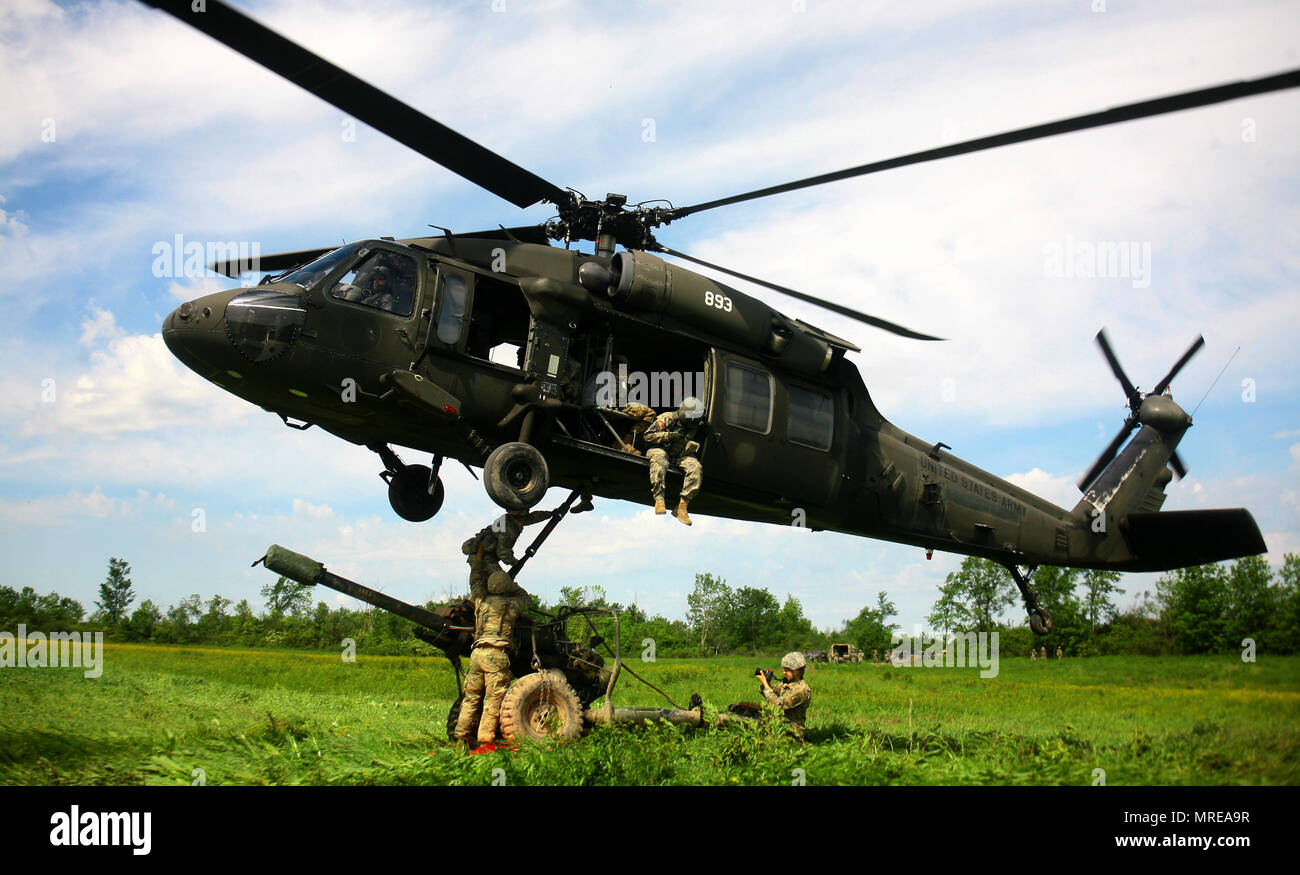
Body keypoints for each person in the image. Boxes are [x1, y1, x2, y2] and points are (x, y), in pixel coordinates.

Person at [453, 568, 530, 748]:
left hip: (477, 653)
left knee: (471, 697)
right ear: (506, 588)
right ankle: (485, 740)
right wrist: (515, 586)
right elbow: (526, 600)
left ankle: (460, 737)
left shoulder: (481, 602)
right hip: (495, 654)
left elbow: (476, 585)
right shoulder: (512, 605)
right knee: (493, 699)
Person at [644, 396, 705, 525]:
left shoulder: (695, 425)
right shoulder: (667, 418)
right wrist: (668, 436)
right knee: (659, 459)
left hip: (680, 455)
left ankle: (682, 507)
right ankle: (659, 498)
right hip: (660, 449)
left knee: (696, 468)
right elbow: (648, 436)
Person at [757, 651, 812, 740]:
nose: (784, 673)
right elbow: (768, 691)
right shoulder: (788, 684)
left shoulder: (801, 690)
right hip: (778, 726)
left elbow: (778, 705)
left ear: (797, 670)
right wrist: (767, 682)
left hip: (792, 733)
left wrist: (766, 685)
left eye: (787, 670)